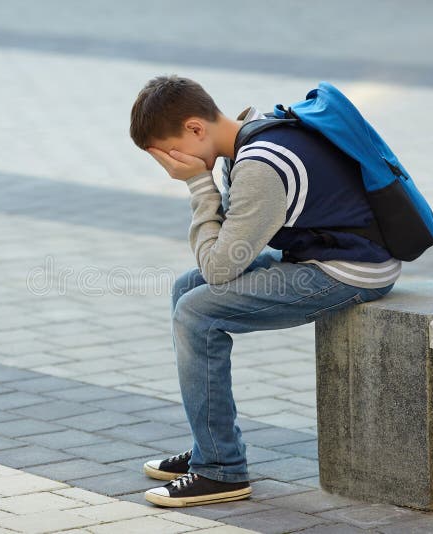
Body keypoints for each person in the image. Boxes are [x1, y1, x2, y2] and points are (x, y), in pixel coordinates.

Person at [128, 75, 400, 507]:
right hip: (322, 255)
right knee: (187, 287)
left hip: (349, 271)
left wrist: (198, 184)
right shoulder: (254, 131)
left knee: (197, 313)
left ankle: (221, 471)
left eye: (170, 152)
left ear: (196, 128)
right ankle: (211, 448)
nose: (171, 164)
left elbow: (219, 267)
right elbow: (222, 259)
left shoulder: (259, 166)